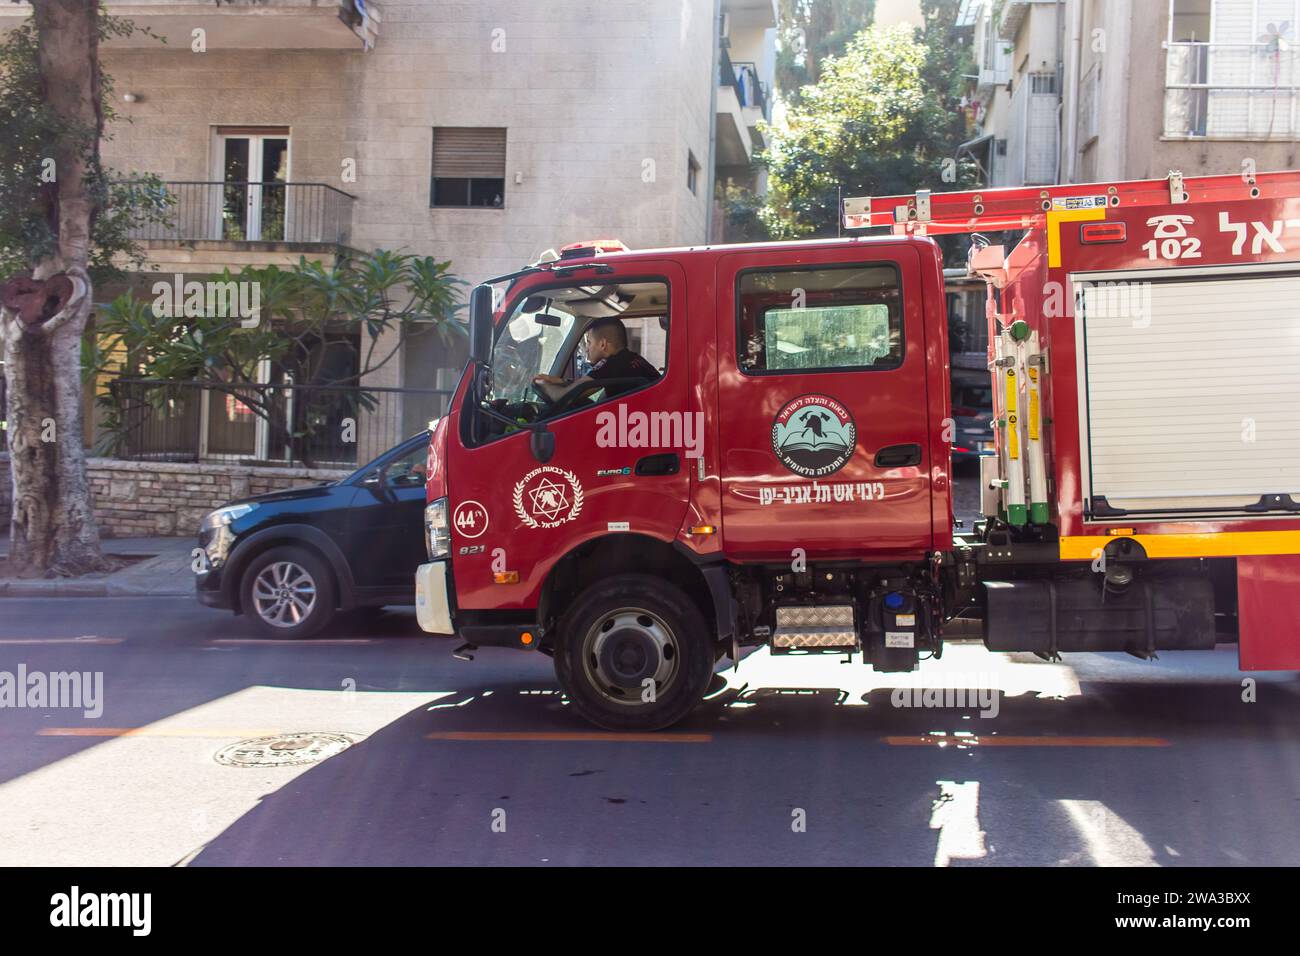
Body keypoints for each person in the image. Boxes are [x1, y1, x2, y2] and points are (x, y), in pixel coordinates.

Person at [533, 316, 659, 401]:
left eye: (589, 342)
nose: (587, 348)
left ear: (602, 344)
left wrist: (542, 384)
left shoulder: (611, 365)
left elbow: (566, 397)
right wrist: (560, 381)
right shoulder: (632, 360)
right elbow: (585, 384)